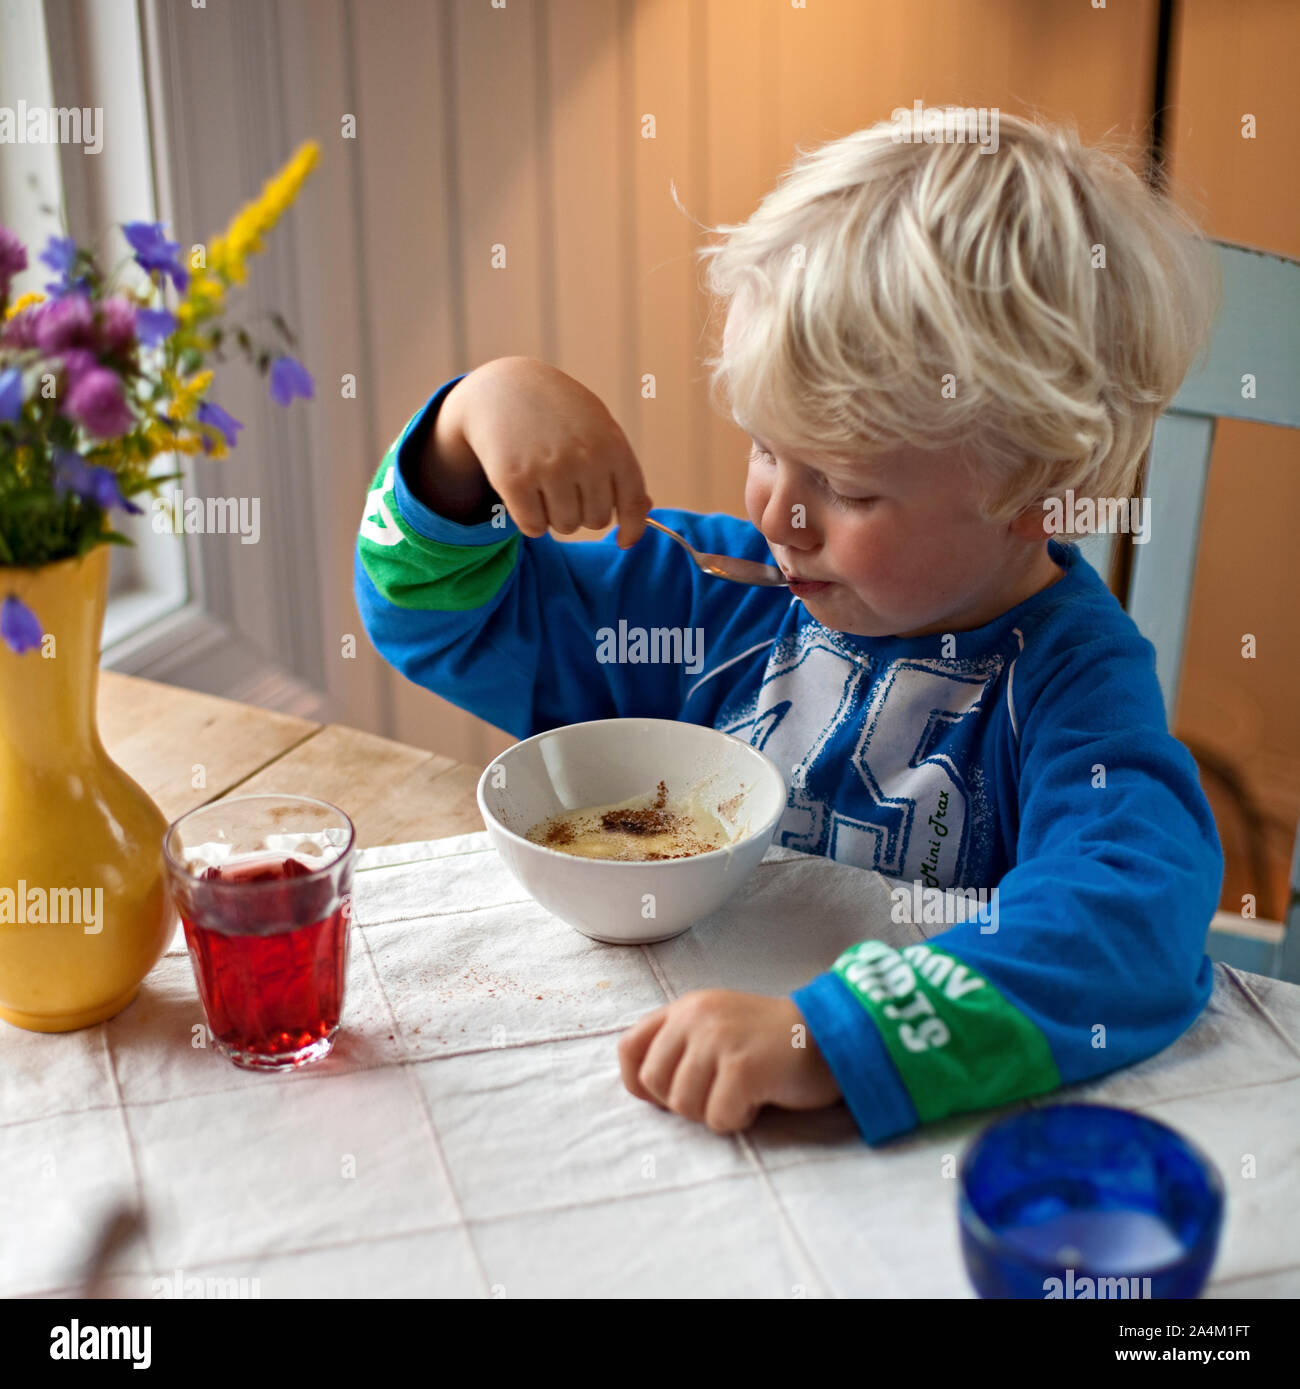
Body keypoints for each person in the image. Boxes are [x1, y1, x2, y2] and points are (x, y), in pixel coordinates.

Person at [354, 110, 1223, 1144]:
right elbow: (437, 618)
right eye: (767, 448)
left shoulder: (1073, 683)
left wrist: (835, 1039)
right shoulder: (711, 595)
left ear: (1051, 495)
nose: (778, 514)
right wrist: (465, 434)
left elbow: (1131, 927)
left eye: (846, 488)